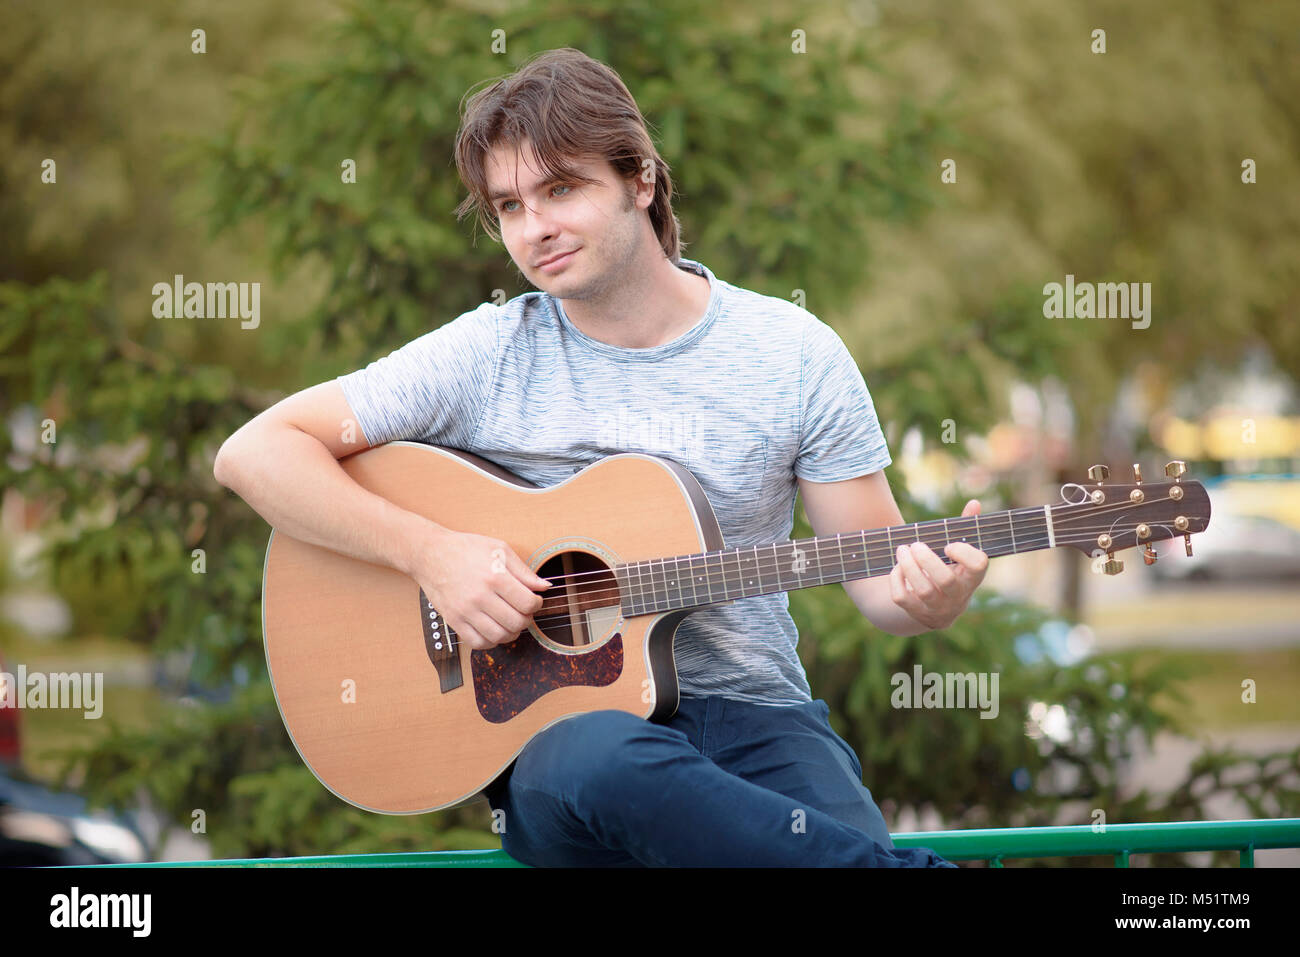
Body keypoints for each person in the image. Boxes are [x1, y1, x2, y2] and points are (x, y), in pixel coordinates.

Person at [214, 48, 989, 867]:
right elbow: (255, 453)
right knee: (602, 754)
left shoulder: (792, 354)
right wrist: (434, 555)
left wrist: (928, 601)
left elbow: (878, 576)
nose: (534, 228)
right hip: (560, 750)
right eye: (510, 205)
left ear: (641, 181)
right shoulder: (489, 352)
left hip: (758, 718)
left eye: (561, 189)